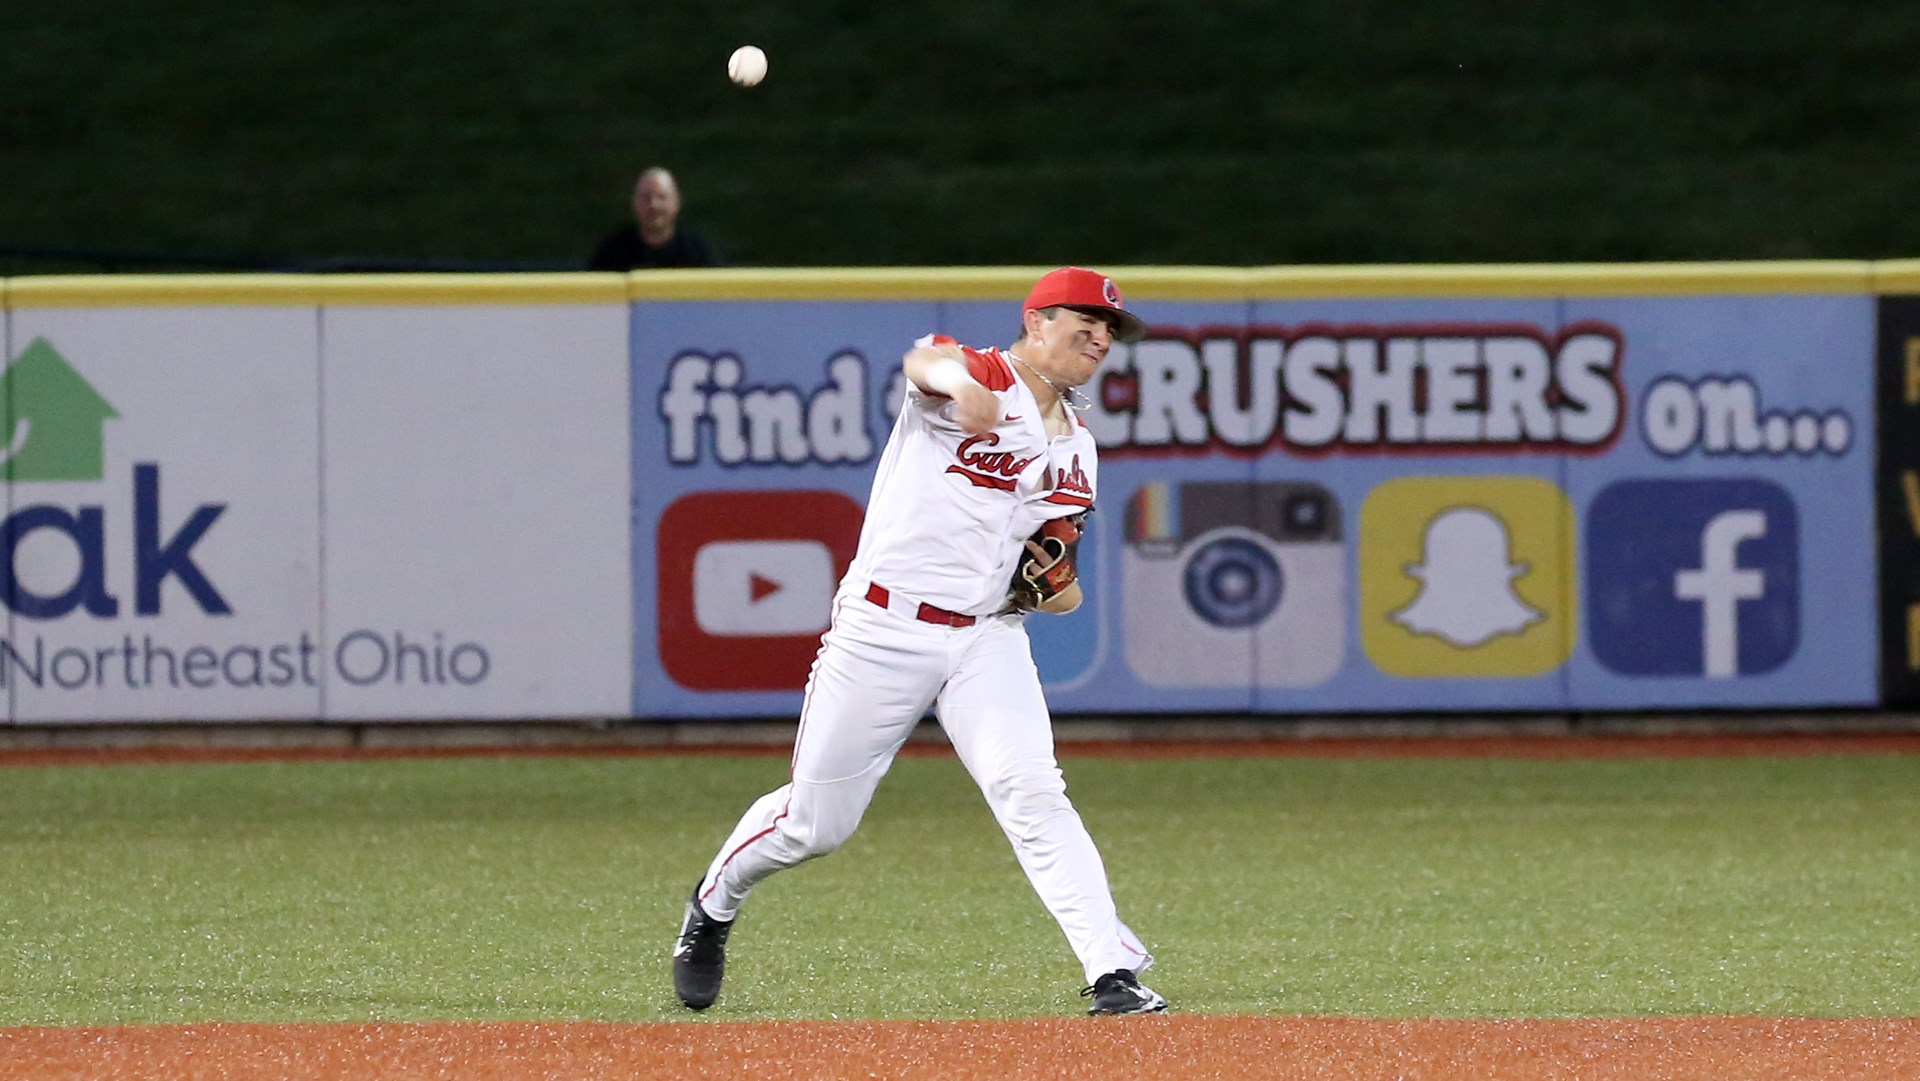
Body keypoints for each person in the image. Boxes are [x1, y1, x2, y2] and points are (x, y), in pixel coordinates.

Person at [672, 266, 1168, 1017]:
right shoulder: (981, 375)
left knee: (1031, 790)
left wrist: (1055, 582)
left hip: (985, 639)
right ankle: (712, 907)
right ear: (1037, 320)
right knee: (814, 825)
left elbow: (1061, 589)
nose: (1101, 337)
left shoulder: (1079, 449)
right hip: (882, 628)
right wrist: (963, 390)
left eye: (1111, 330)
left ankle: (1112, 971)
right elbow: (925, 359)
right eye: (1086, 320)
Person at [587, 167, 723, 270]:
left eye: (661, 197)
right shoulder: (613, 252)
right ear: (634, 203)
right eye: (645, 198)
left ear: (676, 202)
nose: (653, 205)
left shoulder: (697, 253)